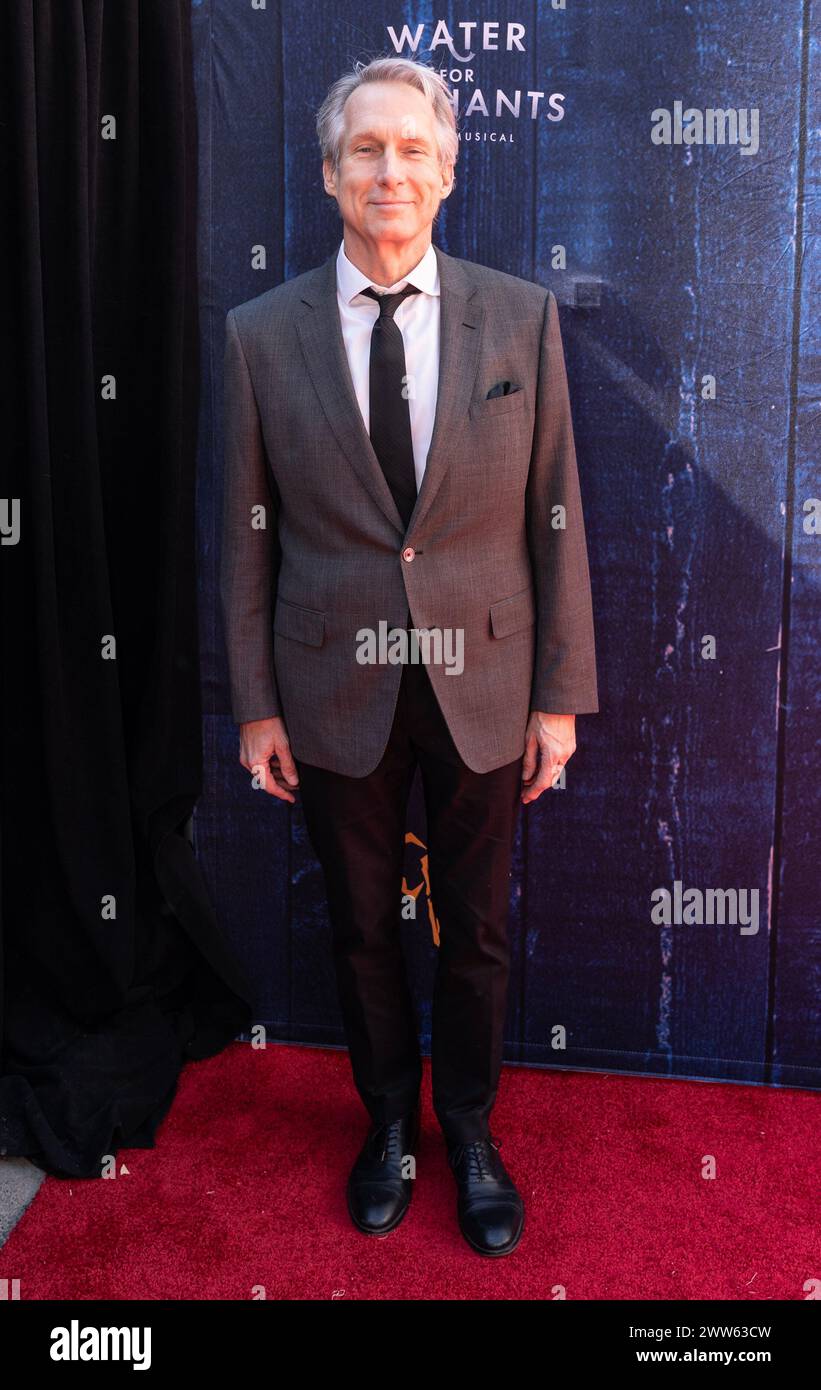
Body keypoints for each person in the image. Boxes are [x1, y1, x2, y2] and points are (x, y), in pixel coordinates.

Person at [221, 55, 598, 1257]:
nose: (392, 169)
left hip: (485, 680)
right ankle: (386, 1124)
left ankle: (471, 1131)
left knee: (476, 930)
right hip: (331, 684)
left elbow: (557, 514)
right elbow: (241, 539)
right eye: (368, 150)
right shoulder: (256, 336)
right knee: (359, 927)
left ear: (446, 173)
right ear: (332, 175)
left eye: (414, 149)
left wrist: (559, 697)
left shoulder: (520, 318)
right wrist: (254, 704)